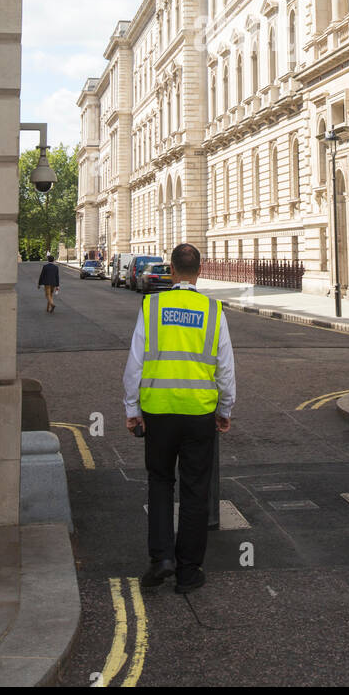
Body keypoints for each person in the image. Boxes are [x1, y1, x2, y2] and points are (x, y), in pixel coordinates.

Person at [123, 242, 235, 594]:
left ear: (171, 270)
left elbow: (135, 362)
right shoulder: (213, 310)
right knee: (195, 490)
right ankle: (188, 571)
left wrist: (131, 408)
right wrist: (225, 409)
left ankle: (161, 559)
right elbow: (225, 368)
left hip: (158, 412)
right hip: (199, 413)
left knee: (159, 484)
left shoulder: (152, 305)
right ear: (199, 271)